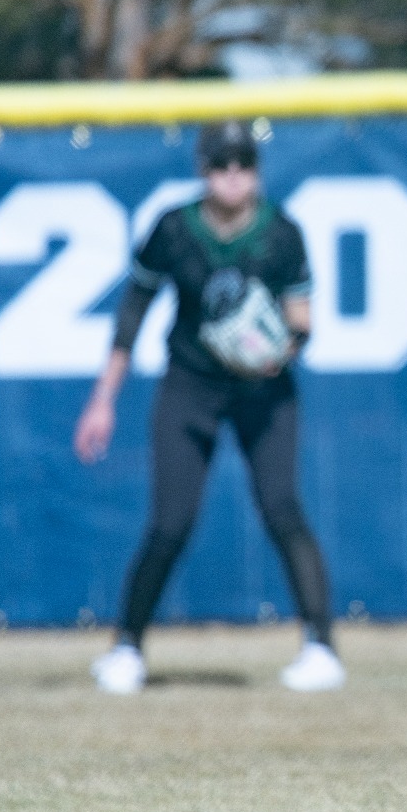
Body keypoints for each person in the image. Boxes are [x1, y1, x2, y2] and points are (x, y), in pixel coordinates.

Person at [74, 120, 342, 696]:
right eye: (221, 164)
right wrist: (102, 400)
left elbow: (302, 319)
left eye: (244, 163)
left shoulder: (281, 233)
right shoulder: (175, 228)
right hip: (190, 383)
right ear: (203, 169)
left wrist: (278, 352)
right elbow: (132, 313)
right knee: (170, 521)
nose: (233, 175)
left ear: (257, 170)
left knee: (282, 507)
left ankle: (321, 647)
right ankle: (126, 649)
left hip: (263, 390)